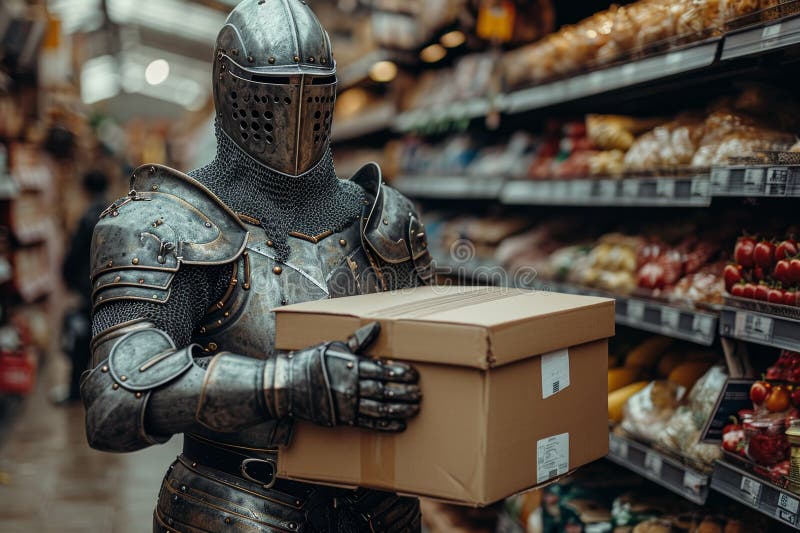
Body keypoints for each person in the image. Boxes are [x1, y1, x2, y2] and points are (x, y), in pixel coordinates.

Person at [81, 1, 433, 531]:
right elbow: (113, 400)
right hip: (233, 507)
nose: (292, 113)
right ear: (230, 89)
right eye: (271, 93)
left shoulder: (386, 219)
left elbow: (438, 355)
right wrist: (285, 384)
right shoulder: (164, 224)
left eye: (310, 92)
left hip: (382, 512)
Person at [55, 170, 108, 404]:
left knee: (80, 340)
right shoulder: (112, 211)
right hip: (105, 283)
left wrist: (67, 277)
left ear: (85, 188)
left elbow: (75, 255)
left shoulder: (87, 217)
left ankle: (75, 391)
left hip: (87, 286)